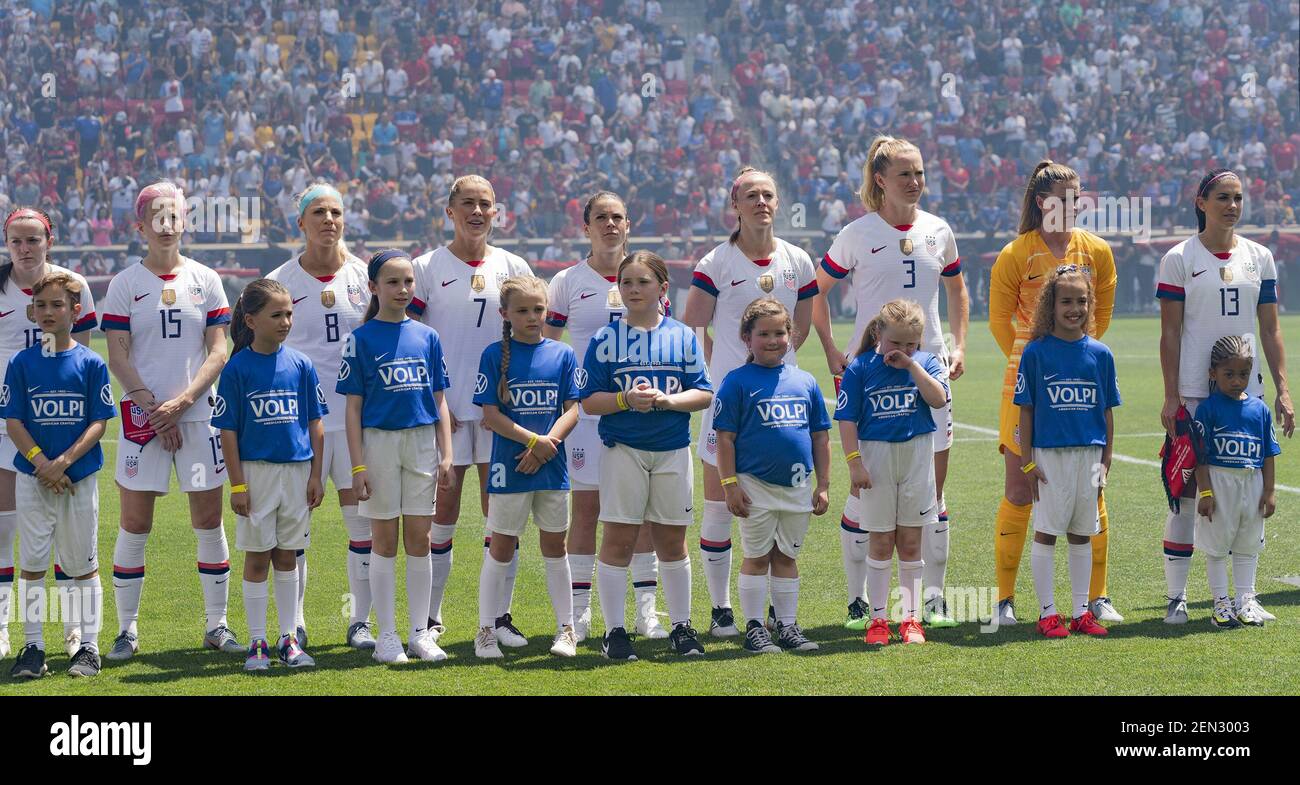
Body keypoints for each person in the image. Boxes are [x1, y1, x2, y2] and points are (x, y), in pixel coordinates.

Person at [812, 136, 969, 629]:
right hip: (869, 371)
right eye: (905, 174)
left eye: (920, 172)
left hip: (928, 371)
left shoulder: (938, 230)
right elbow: (815, 293)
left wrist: (958, 345)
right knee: (865, 489)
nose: (916, 182)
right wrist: (832, 347)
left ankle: (932, 601)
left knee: (933, 492)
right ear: (881, 179)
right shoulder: (856, 234)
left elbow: (957, 288)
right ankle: (861, 601)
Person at [101, 183, 235, 662]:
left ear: (184, 222)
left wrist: (181, 403)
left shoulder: (207, 278)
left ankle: (217, 625)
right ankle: (126, 630)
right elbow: (117, 356)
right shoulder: (125, 284)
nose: (165, 223)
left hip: (198, 418)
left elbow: (220, 349)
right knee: (135, 523)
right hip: (142, 423)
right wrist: (155, 411)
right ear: (140, 225)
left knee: (208, 520)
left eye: (173, 215)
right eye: (155, 216)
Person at [681, 166, 817, 638]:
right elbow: (693, 327)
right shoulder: (716, 262)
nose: (762, 202)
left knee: (780, 509)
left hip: (782, 405)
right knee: (721, 504)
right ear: (735, 206)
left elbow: (799, 325)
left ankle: (779, 613)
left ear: (778, 204)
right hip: (731, 402)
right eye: (751, 195)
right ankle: (721, 609)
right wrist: (724, 375)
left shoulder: (798, 260)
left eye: (769, 195)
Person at [1157, 168, 1292, 624]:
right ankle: (1177, 597)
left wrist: (1282, 389)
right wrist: (1172, 395)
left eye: (1237, 198)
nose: (1231, 205)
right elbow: (1170, 332)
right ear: (1201, 202)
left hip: (1246, 397)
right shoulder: (1179, 257)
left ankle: (1244, 598)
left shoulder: (1261, 257)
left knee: (1245, 495)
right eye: (1222, 197)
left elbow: (1271, 329)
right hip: (1196, 397)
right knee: (1189, 495)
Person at [988, 161, 1119, 627]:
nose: (1069, 207)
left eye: (1075, 198)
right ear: (1041, 203)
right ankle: (1006, 599)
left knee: (1092, 491)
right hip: (1024, 388)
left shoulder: (1097, 251)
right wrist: (1033, 362)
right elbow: (999, 321)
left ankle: (1096, 598)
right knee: (1021, 489)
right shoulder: (1015, 253)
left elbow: (1099, 315)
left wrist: (1074, 358)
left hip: (1079, 386)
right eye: (1060, 199)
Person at [408, 175, 533, 645]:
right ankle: (432, 618)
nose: (477, 212)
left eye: (486, 204)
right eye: (468, 204)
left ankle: (498, 617)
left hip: (500, 414)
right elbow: (413, 340)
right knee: (442, 513)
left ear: (497, 212)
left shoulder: (513, 265)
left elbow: (528, 335)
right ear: (450, 210)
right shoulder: (425, 267)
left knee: (501, 514)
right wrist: (432, 400)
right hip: (449, 412)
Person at [543, 191, 666, 642]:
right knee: (588, 511)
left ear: (628, 224)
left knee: (643, 515)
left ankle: (646, 613)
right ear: (586, 227)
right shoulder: (567, 281)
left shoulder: (645, 274)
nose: (610, 224)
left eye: (617, 217)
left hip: (642, 416)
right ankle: (578, 613)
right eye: (601, 218)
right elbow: (549, 350)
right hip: (590, 417)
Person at [579, 251, 713, 660]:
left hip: (672, 450)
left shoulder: (683, 335)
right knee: (618, 539)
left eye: (643, 282)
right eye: (627, 283)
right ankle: (615, 631)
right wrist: (624, 399)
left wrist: (669, 401)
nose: (634, 290)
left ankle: (681, 626)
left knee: (673, 540)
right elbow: (589, 400)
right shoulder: (605, 339)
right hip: (623, 450)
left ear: (662, 288)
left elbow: (704, 392)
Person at [266, 184, 373, 650]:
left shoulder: (366, 276)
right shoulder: (280, 280)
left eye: (336, 212)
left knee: (362, 526)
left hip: (354, 425)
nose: (329, 219)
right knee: (294, 530)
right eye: (318, 212)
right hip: (300, 426)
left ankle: (361, 621)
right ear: (301, 224)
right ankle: (294, 624)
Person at [340, 250, 454, 664]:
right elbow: (352, 408)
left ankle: (419, 634)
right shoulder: (361, 338)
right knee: (384, 542)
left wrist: (447, 454)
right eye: (392, 282)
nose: (402, 289)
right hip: (379, 444)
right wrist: (358, 465)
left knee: (420, 539)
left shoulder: (428, 336)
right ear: (373, 288)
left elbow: (440, 401)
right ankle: (386, 636)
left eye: (408, 282)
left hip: (422, 444)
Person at [3, 272, 114, 678]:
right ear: (32, 311)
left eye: (58, 305)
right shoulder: (21, 362)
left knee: (83, 563)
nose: (48, 312)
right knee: (32, 564)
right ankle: (32, 647)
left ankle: (88, 646)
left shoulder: (90, 362)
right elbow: (13, 420)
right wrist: (41, 462)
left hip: (77, 479)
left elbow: (99, 422)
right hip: (33, 478)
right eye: (42, 306)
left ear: (76, 311)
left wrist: (63, 462)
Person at [214, 279, 326, 671]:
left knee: (288, 557)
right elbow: (228, 430)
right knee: (258, 557)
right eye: (276, 314)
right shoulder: (237, 368)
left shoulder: (301, 364)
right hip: (257, 475)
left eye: (290, 314)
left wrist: (316, 475)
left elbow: (315, 423)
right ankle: (257, 641)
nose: (285, 322)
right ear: (251, 320)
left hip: (296, 473)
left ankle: (288, 638)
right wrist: (238, 484)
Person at [712, 299, 829, 654]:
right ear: (747, 338)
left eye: (780, 332)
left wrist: (823, 484)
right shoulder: (737, 382)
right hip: (754, 486)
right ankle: (753, 628)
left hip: (797, 486)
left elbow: (820, 437)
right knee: (758, 555)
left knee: (787, 557)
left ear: (791, 336)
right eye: (764, 334)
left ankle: (788, 626)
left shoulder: (805, 381)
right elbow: (725, 439)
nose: (773, 340)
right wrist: (730, 485)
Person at [473, 276, 581, 658]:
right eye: (522, 310)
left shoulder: (562, 353)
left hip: (552, 466)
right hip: (510, 465)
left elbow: (572, 409)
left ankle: (566, 630)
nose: (532, 316)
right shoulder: (493, 354)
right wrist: (533, 442)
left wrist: (547, 443)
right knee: (501, 546)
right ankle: (485, 630)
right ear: (505, 314)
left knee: (556, 547)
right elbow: (491, 414)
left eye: (538, 309)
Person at [835, 299, 949, 646]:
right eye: (896, 342)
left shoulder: (926, 363)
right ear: (879, 333)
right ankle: (879, 620)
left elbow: (938, 399)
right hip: (876, 462)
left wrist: (913, 365)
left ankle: (911, 619)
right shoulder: (861, 368)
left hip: (916, 459)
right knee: (881, 541)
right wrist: (854, 462)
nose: (902, 350)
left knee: (912, 542)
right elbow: (847, 419)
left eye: (910, 343)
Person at [1015, 266, 1118, 638]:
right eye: (1066, 301)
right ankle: (1047, 613)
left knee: (1082, 532)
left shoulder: (1101, 354)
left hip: (1090, 457)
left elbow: (1106, 413)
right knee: (1046, 532)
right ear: (1051, 305)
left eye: (1082, 301)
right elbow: (1025, 410)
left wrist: (1106, 460)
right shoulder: (1037, 353)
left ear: (1090, 305)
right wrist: (1026, 461)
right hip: (1049, 457)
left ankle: (1080, 613)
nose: (1074, 308)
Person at [1191, 336, 1281, 628]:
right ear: (1212, 374)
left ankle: (1246, 601)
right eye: (1228, 374)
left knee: (1247, 545)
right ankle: (1221, 605)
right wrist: (1205, 492)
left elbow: (1268, 454)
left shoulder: (1259, 410)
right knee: (1217, 547)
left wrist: (1269, 491)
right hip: (1219, 484)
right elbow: (1201, 458)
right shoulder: (1208, 409)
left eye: (1243, 374)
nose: (1236, 381)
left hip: (1251, 484)